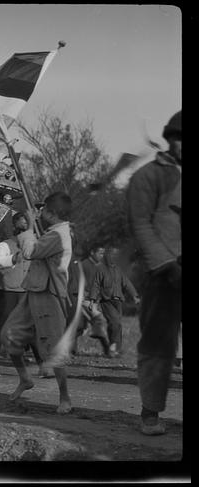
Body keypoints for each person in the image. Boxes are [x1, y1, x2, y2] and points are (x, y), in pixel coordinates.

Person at [127, 110, 181, 436]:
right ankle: (150, 412)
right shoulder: (148, 176)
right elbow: (140, 224)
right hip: (164, 273)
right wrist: (167, 264)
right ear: (169, 138)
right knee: (158, 346)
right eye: (179, 138)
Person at [2, 192, 74, 415]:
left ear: (52, 214)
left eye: (43, 211)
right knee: (9, 334)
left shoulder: (59, 235)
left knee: (54, 348)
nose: (39, 212)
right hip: (33, 290)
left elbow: (31, 251)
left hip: (49, 295)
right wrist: (34, 227)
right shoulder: (53, 232)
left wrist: (29, 227)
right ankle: (25, 378)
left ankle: (65, 398)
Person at [0, 211, 44, 377]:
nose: (24, 226)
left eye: (27, 224)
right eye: (21, 223)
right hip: (8, 292)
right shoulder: (5, 244)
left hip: (27, 291)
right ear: (15, 226)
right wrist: (12, 259)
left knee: (33, 329)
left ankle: (43, 364)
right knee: (0, 328)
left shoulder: (34, 245)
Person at [88, 245, 141, 358]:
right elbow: (96, 285)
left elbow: (126, 283)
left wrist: (135, 295)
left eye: (116, 255)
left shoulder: (118, 269)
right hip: (106, 301)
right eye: (112, 254)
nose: (114, 257)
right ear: (107, 255)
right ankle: (113, 346)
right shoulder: (100, 268)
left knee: (117, 324)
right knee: (115, 322)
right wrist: (92, 299)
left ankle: (117, 349)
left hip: (118, 301)